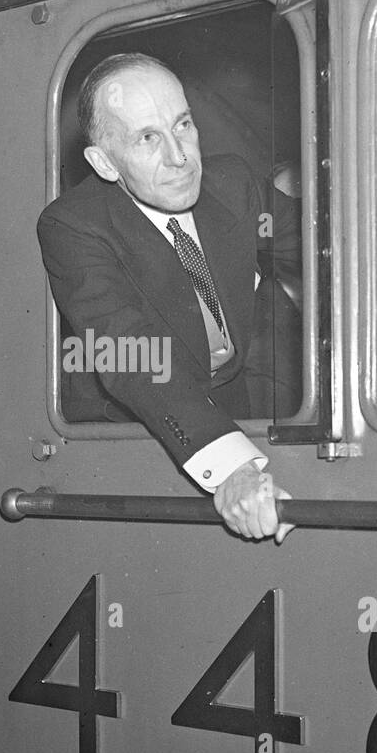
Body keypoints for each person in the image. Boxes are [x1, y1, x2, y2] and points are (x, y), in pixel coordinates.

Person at [37, 53, 298, 542]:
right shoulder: (73, 226)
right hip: (133, 439)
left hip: (232, 417)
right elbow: (130, 353)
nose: (180, 157)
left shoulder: (235, 184)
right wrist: (231, 466)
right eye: (147, 138)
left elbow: (327, 244)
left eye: (184, 125)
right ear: (104, 162)